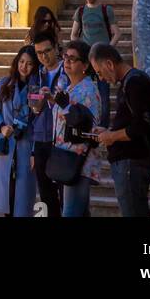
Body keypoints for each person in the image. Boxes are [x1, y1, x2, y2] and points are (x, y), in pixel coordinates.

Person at [90, 43, 150, 217]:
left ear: (109, 64)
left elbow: (142, 125)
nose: (101, 79)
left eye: (99, 72)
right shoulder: (130, 82)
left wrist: (112, 136)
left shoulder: (134, 82)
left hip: (131, 164)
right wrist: (107, 131)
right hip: (129, 164)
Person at [50, 41, 102, 217]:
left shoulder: (88, 90)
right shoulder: (69, 87)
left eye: (73, 59)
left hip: (79, 160)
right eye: (65, 57)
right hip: (67, 157)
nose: (67, 61)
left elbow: (86, 125)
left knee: (71, 213)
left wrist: (64, 106)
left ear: (85, 65)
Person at [0, 45, 37, 217]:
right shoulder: (5, 83)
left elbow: (39, 120)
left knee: (22, 198)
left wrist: (35, 151)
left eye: (29, 63)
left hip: (26, 145)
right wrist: (1, 126)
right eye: (22, 61)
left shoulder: (37, 88)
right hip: (6, 143)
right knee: (6, 196)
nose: (24, 66)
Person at [28, 32, 68, 218]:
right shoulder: (37, 74)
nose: (44, 56)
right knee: (45, 194)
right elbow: (34, 107)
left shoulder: (67, 70)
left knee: (65, 194)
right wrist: (39, 101)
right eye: (39, 53)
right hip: (42, 139)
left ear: (56, 48)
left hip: (62, 139)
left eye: (47, 51)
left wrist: (50, 97)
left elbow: (68, 102)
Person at [69, 0, 119, 125]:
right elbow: (73, 34)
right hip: (86, 61)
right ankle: (86, 124)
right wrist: (80, 51)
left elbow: (117, 33)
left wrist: (107, 50)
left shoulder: (105, 10)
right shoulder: (81, 11)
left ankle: (103, 126)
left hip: (101, 61)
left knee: (104, 94)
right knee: (85, 92)